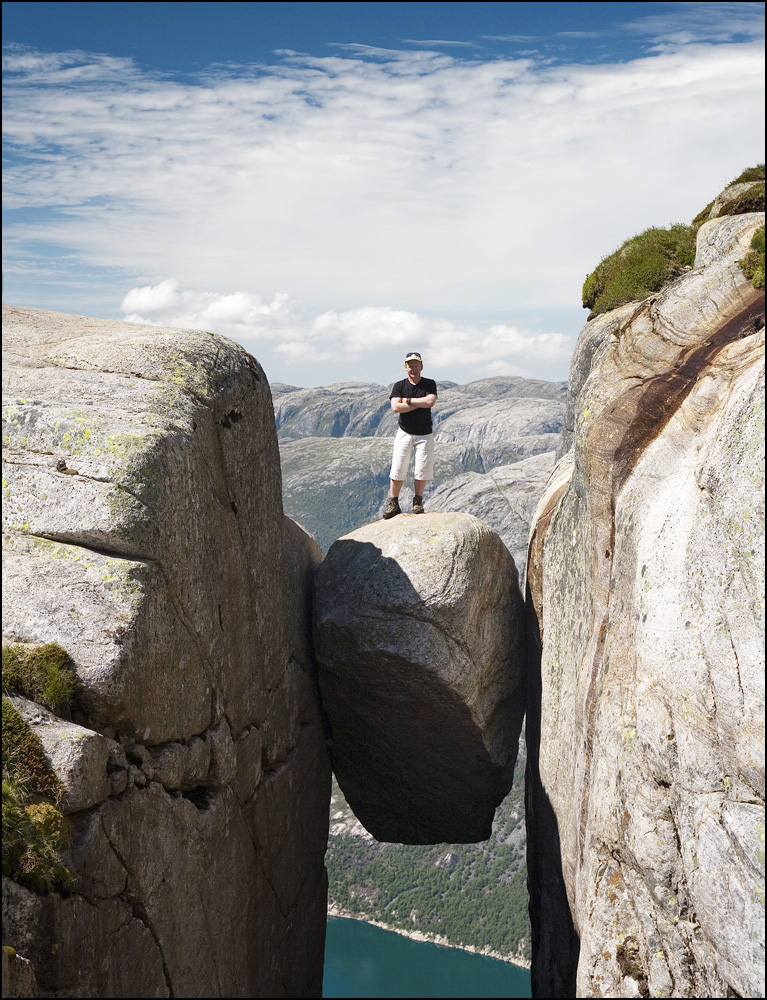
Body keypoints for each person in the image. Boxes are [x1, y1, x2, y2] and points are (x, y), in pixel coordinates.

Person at [383, 352, 437, 518]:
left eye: (416, 365)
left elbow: (430, 402)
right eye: (410, 365)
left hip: (424, 434)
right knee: (398, 467)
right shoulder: (399, 385)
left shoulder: (429, 384)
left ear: (421, 366)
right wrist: (419, 403)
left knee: (422, 469)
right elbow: (395, 408)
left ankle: (418, 502)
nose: (413, 368)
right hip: (405, 432)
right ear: (405, 367)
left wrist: (407, 401)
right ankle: (394, 504)